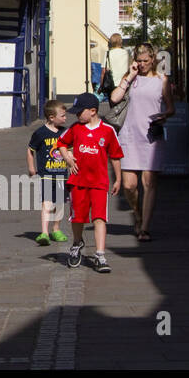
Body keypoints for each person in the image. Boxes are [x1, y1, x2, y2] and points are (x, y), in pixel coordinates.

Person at [108, 42, 175, 242]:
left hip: (151, 137)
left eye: (146, 60)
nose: (142, 64)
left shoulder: (162, 80)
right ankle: (137, 214)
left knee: (149, 183)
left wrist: (164, 116)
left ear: (153, 59)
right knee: (129, 185)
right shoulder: (131, 78)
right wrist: (129, 76)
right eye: (139, 60)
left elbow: (171, 108)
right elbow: (114, 98)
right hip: (129, 135)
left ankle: (144, 228)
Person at [55, 92, 123, 274]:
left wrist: (118, 178)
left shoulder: (108, 131)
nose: (77, 115)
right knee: (78, 217)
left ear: (93, 111)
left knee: (99, 217)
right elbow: (61, 143)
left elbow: (115, 156)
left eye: (80, 112)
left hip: (99, 182)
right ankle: (77, 243)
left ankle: (100, 254)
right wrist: (68, 158)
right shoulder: (76, 128)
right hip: (78, 181)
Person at [27, 100, 70, 247]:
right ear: (52, 117)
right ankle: (44, 232)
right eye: (62, 116)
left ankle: (56, 229)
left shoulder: (65, 132)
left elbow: (69, 150)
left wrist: (72, 163)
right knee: (47, 203)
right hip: (46, 175)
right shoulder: (40, 133)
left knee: (59, 204)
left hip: (62, 175)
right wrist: (31, 167)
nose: (65, 118)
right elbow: (30, 150)